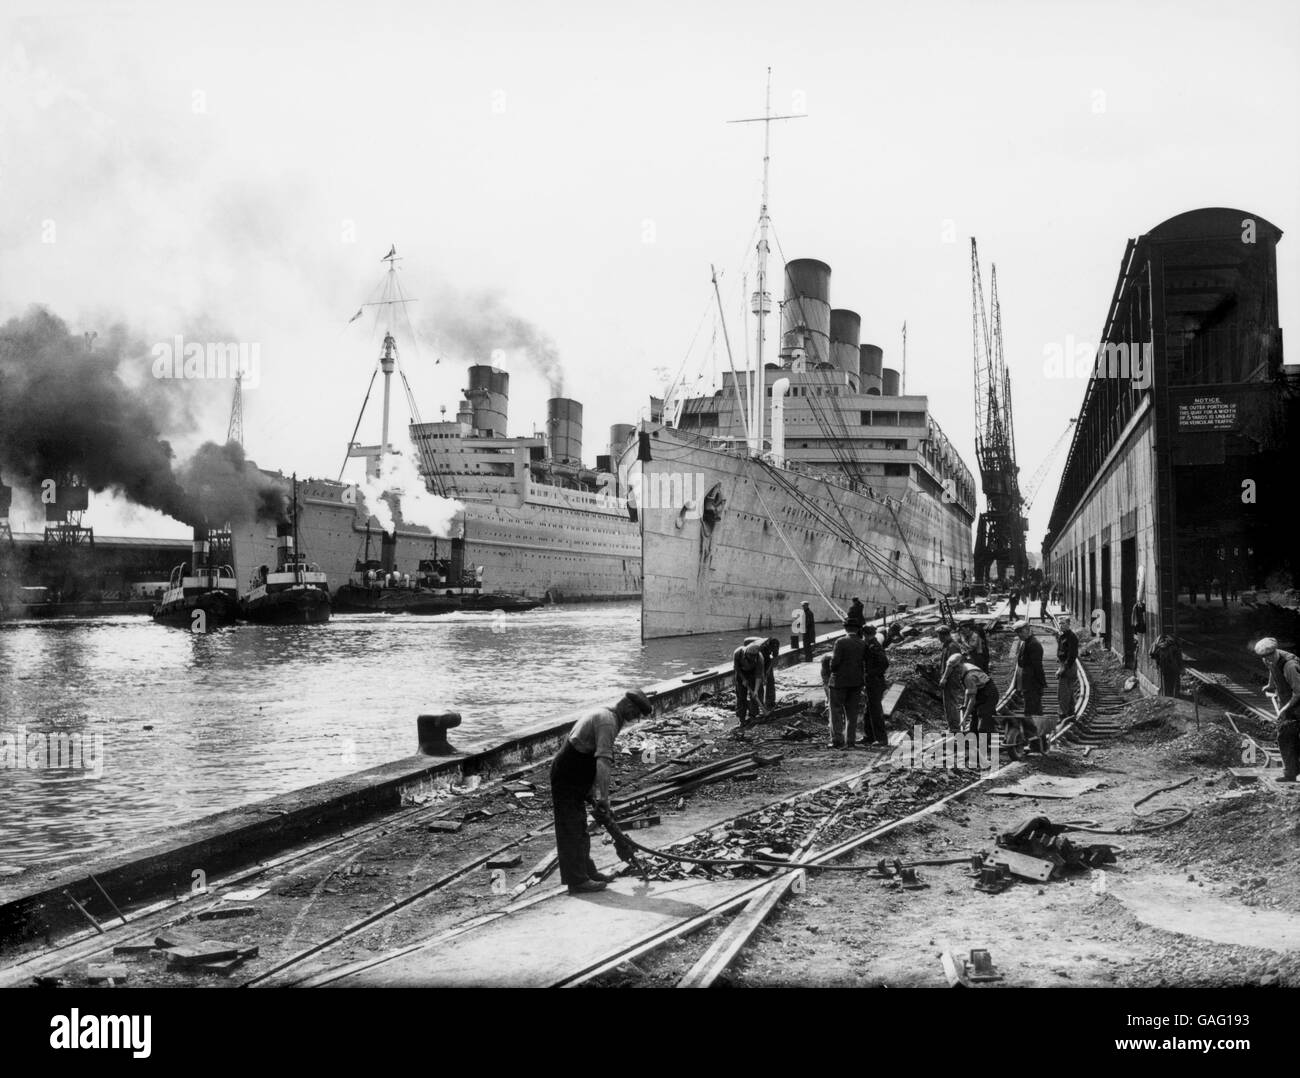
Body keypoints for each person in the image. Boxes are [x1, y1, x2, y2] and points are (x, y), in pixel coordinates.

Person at [550, 690, 654, 895]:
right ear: (629, 707)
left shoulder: (610, 717)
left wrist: (591, 790)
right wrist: (603, 798)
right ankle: (577, 881)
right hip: (567, 773)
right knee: (571, 827)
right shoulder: (607, 721)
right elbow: (603, 761)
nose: (636, 719)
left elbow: (589, 755)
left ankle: (588, 872)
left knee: (579, 826)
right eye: (637, 714)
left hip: (578, 771)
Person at [1256, 638, 1300, 781]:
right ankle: (1291, 773)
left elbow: (1298, 692)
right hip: (1287, 700)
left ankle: (1292, 773)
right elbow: (1272, 669)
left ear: (1275, 652)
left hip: (1297, 699)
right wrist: (1270, 685)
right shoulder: (1268, 659)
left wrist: (1283, 710)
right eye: (1264, 658)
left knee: (1290, 735)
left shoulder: (1290, 666)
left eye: (1269, 656)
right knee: (1286, 735)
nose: (1267, 660)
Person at [826, 619, 866, 748]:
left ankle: (837, 740)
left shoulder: (840, 642)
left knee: (836, 711)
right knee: (852, 712)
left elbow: (834, 662)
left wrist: (832, 669)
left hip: (839, 682)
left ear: (846, 629)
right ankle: (850, 740)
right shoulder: (862, 643)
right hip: (856, 682)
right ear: (858, 629)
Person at [1013, 620, 1051, 753]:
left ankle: (1037, 745)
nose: (1019, 635)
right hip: (1028, 685)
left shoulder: (1034, 645)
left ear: (1027, 629)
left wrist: (1041, 683)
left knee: (1033, 714)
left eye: (1020, 632)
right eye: (1017, 633)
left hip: (1033, 685)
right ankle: (1038, 744)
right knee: (1033, 713)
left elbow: (1037, 667)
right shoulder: (1027, 643)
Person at [862, 623, 890, 745]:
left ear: (865, 634)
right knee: (868, 710)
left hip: (875, 682)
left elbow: (884, 663)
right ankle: (870, 736)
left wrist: (870, 674)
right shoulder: (871, 644)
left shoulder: (874, 646)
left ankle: (881, 738)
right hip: (872, 682)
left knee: (875, 711)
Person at [958, 657, 999, 738]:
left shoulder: (969, 676)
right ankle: (974, 743)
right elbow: (968, 690)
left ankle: (985, 748)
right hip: (980, 692)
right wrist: (965, 705)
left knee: (984, 724)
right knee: (974, 723)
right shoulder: (964, 667)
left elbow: (972, 700)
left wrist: (964, 718)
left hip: (989, 694)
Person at [936, 626, 964, 732]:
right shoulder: (947, 645)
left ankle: (955, 728)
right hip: (948, 678)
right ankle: (952, 726)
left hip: (951, 678)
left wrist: (944, 678)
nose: (938, 638)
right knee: (948, 703)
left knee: (951, 703)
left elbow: (951, 665)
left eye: (939, 636)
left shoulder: (952, 646)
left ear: (944, 635)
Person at [733, 639, 766, 726]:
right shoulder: (738, 653)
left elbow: (758, 676)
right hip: (741, 673)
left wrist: (755, 690)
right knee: (741, 696)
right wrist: (743, 679)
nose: (753, 659)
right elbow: (736, 668)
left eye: (754, 657)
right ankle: (742, 718)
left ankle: (753, 716)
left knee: (756, 695)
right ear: (746, 654)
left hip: (753, 674)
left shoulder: (760, 658)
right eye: (751, 657)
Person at [1056, 616, 1080, 720]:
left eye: (1063, 623)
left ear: (1068, 624)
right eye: (1060, 623)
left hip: (1068, 666)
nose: (1061, 625)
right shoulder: (1063, 636)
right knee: (1069, 690)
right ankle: (1070, 712)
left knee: (1063, 692)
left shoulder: (1071, 637)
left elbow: (1072, 655)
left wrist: (1063, 668)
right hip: (1066, 665)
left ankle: (1063, 713)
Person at [1150, 634, 1183, 698]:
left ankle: (1167, 696)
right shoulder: (1175, 645)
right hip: (1173, 666)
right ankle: (1174, 696)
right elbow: (1179, 658)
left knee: (1166, 682)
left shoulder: (1159, 643)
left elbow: (1152, 654)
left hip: (1164, 666)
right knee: (1174, 682)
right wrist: (1180, 667)